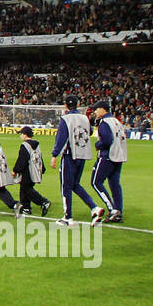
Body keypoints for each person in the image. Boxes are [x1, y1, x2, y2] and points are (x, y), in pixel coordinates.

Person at [52, 96, 104, 225]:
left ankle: (67, 217)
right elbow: (90, 131)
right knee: (75, 184)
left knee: (66, 186)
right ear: (78, 104)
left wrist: (54, 155)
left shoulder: (65, 119)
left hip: (70, 155)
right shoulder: (84, 118)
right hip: (83, 154)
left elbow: (61, 139)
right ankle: (94, 208)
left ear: (66, 105)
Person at [91, 101, 127, 222]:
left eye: (96, 109)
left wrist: (98, 144)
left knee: (96, 182)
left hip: (108, 156)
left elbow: (107, 140)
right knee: (115, 183)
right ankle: (118, 209)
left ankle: (113, 210)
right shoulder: (116, 121)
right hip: (119, 156)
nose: (95, 112)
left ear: (103, 109)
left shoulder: (104, 122)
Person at [12, 126, 50, 217]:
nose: (21, 136)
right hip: (36, 169)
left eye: (21, 134)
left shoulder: (25, 145)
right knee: (24, 188)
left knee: (26, 189)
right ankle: (26, 208)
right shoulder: (36, 145)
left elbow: (22, 160)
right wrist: (42, 169)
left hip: (28, 170)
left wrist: (15, 170)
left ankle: (43, 202)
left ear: (25, 135)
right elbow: (40, 157)